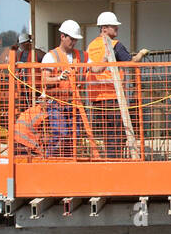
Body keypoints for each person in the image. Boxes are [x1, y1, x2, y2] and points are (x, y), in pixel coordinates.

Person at [86, 11, 149, 158]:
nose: (117, 29)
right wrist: (141, 54)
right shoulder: (115, 45)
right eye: (114, 27)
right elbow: (131, 62)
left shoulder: (91, 46)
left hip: (95, 98)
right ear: (104, 28)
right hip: (112, 96)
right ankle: (115, 160)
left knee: (106, 132)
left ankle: (109, 158)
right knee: (117, 132)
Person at [40, 20, 86, 157]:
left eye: (75, 39)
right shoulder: (50, 57)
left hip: (73, 103)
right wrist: (58, 78)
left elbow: (94, 67)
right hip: (56, 103)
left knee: (74, 135)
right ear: (62, 37)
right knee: (60, 134)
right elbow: (44, 80)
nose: (73, 42)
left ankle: (68, 161)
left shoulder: (80, 56)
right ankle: (51, 160)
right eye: (71, 39)